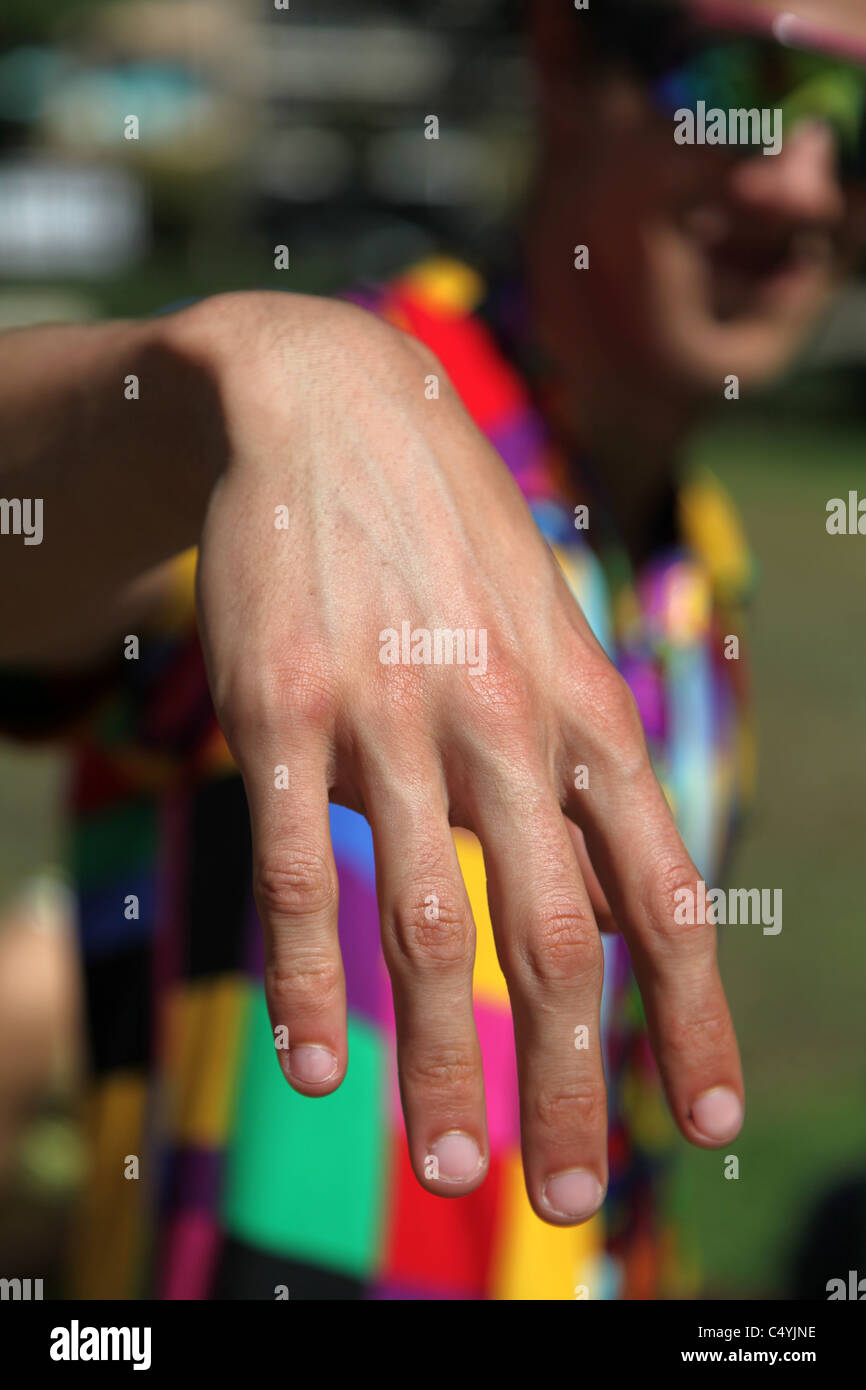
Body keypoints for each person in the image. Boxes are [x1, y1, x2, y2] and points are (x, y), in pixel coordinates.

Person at [0, 0, 864, 1299]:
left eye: (857, 129)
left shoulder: (699, 569)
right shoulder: (327, 445)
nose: (801, 178)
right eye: (738, 81)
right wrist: (213, 389)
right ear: (564, 61)